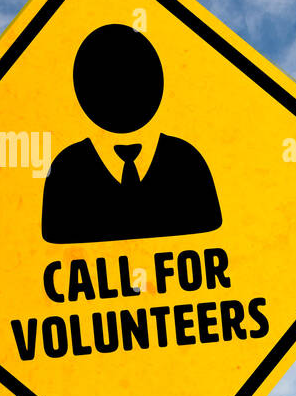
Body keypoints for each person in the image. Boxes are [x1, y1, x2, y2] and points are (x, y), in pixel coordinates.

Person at [42, 24, 222, 243]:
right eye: (106, 77)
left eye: (132, 73)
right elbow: (53, 247)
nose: (121, 86)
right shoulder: (68, 170)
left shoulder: (185, 161)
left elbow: (214, 237)